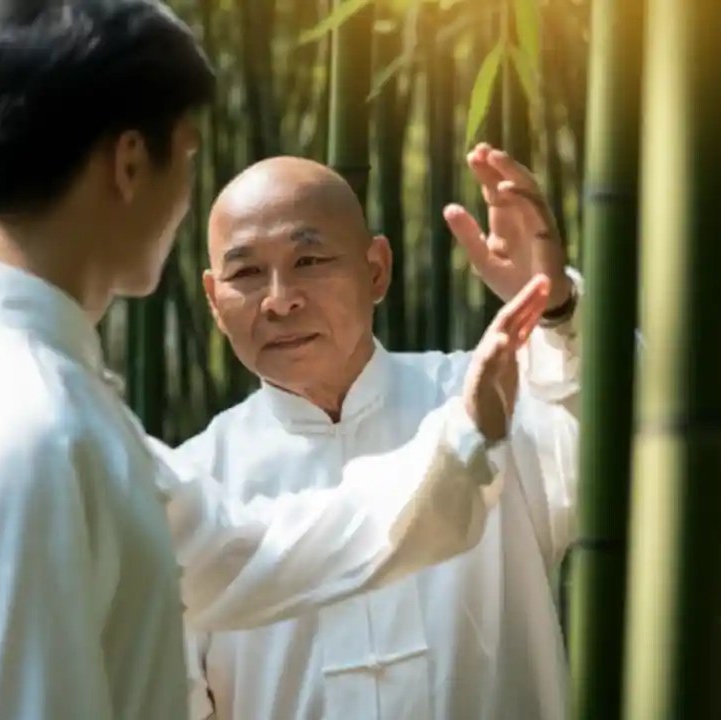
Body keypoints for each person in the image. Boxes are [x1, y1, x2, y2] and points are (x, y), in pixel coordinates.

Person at [0, 2, 551, 718]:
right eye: (189, 156)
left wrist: (465, 432)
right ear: (131, 162)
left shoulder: (4, 388)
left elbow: (243, 553)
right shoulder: (29, 429)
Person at [180, 148, 583, 720]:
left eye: (310, 260)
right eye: (245, 272)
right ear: (214, 301)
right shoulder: (198, 480)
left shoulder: (488, 394)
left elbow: (628, 435)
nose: (279, 298)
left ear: (376, 270)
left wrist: (556, 308)